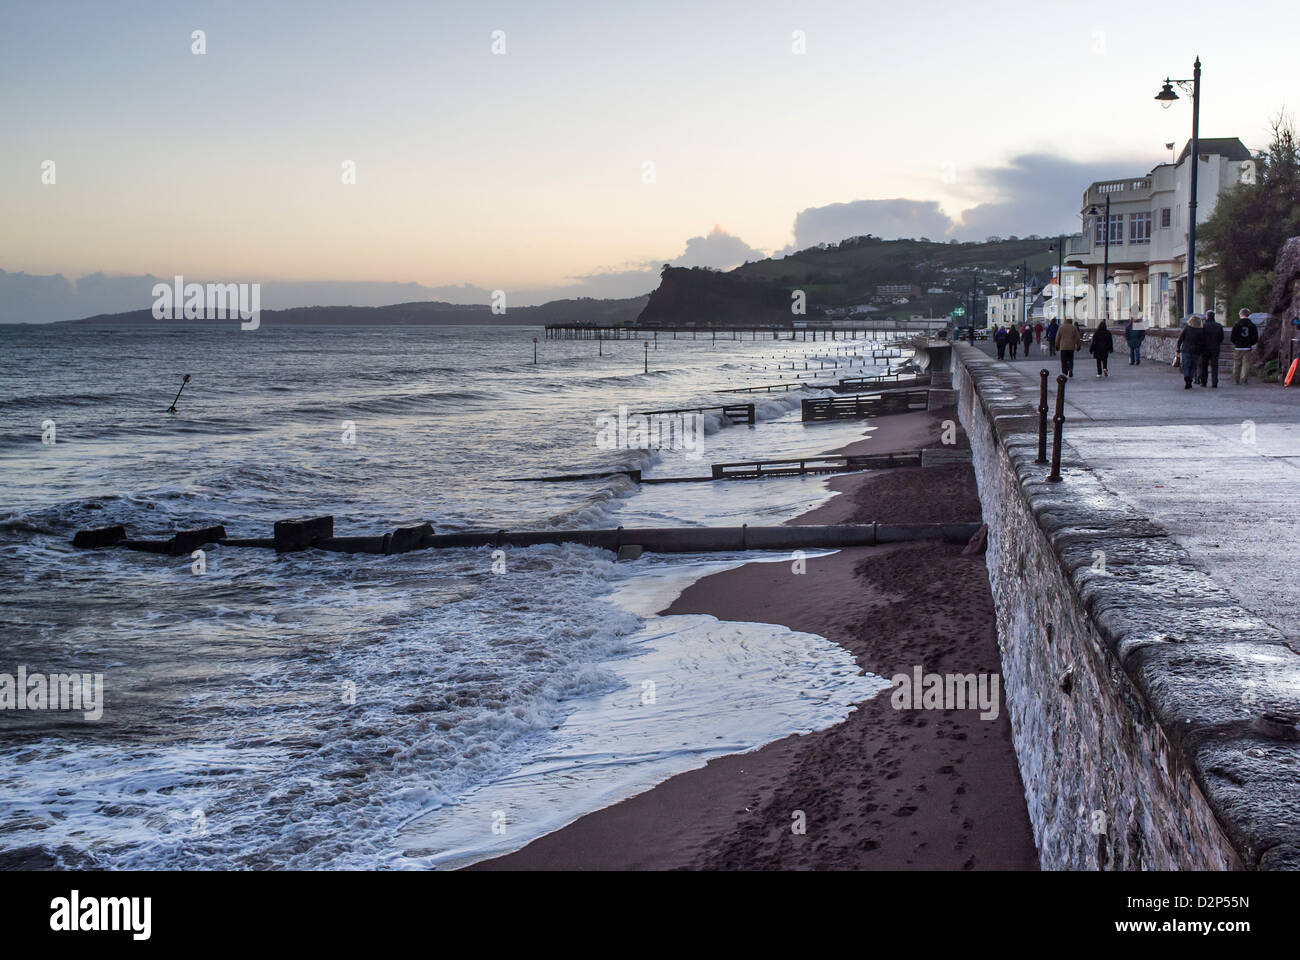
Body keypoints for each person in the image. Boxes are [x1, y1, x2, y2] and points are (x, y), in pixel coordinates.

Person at [1230, 307, 1260, 384]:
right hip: (1247, 347)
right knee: (1246, 364)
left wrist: (1236, 342)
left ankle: (1236, 379)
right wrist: (1250, 343)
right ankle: (1244, 379)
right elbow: (1255, 337)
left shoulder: (1237, 324)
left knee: (1237, 363)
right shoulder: (1252, 325)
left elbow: (1232, 336)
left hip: (1238, 346)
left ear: (1240, 314)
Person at [1176, 314, 1206, 390]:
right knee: (1193, 366)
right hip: (1196, 351)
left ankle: (1186, 376)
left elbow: (1180, 339)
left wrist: (1178, 349)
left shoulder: (1187, 328)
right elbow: (1203, 342)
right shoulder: (1201, 331)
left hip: (1186, 349)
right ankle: (1190, 379)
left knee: (1186, 364)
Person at [1200, 310, 1224, 388]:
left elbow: (1200, 337)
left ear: (1207, 317)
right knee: (1214, 366)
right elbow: (1221, 338)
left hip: (1204, 348)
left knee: (1204, 366)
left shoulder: (1203, 326)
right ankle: (1214, 382)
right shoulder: (1219, 326)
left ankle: (1204, 382)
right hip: (1215, 348)